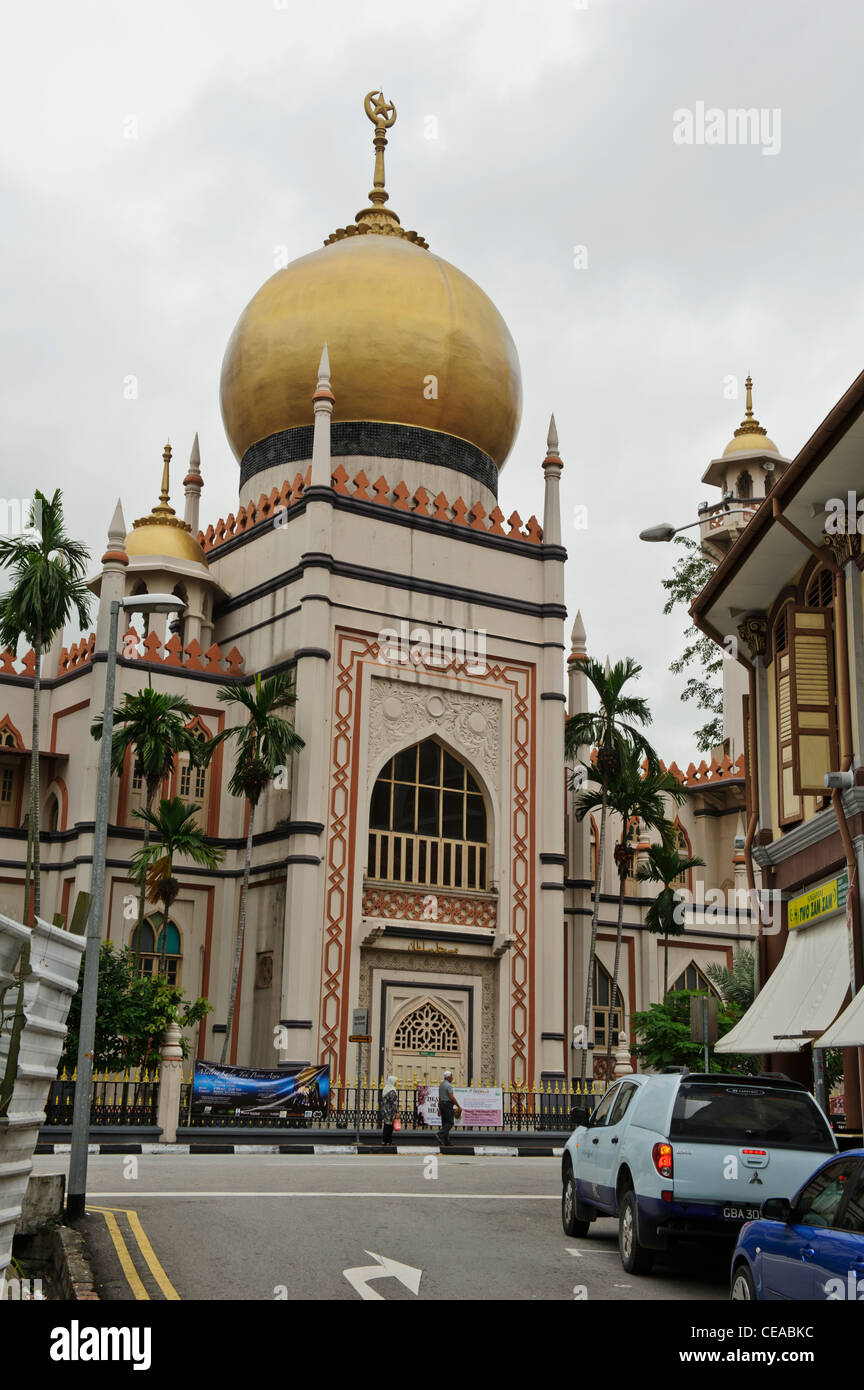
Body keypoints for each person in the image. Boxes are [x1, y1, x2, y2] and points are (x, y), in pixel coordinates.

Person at [437, 1069, 462, 1146]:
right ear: (448, 1077)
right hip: (447, 1105)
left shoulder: (441, 1085)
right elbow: (451, 1097)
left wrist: (439, 1108)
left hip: (442, 1104)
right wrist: (458, 1106)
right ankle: (439, 1134)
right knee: (450, 1122)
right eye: (451, 1076)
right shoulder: (449, 1085)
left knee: (445, 1124)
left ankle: (447, 1142)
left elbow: (440, 1097)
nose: (452, 1078)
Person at [380, 1076, 399, 1145]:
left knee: (386, 1125)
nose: (396, 1083)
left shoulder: (386, 1089)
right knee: (389, 1126)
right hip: (390, 1111)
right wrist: (397, 1112)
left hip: (385, 1110)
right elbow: (394, 1103)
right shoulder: (392, 1091)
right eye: (395, 1081)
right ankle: (388, 1140)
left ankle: (385, 1140)